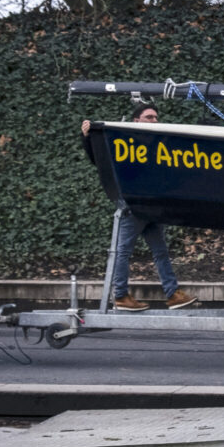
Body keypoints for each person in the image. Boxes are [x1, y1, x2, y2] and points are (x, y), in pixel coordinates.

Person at [81, 102, 198, 311]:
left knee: (159, 251)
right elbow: (100, 160)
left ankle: (172, 294)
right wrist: (88, 138)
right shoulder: (125, 142)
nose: (155, 120)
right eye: (149, 117)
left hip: (153, 206)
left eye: (156, 117)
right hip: (133, 206)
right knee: (122, 252)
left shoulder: (154, 142)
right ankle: (121, 295)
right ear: (137, 120)